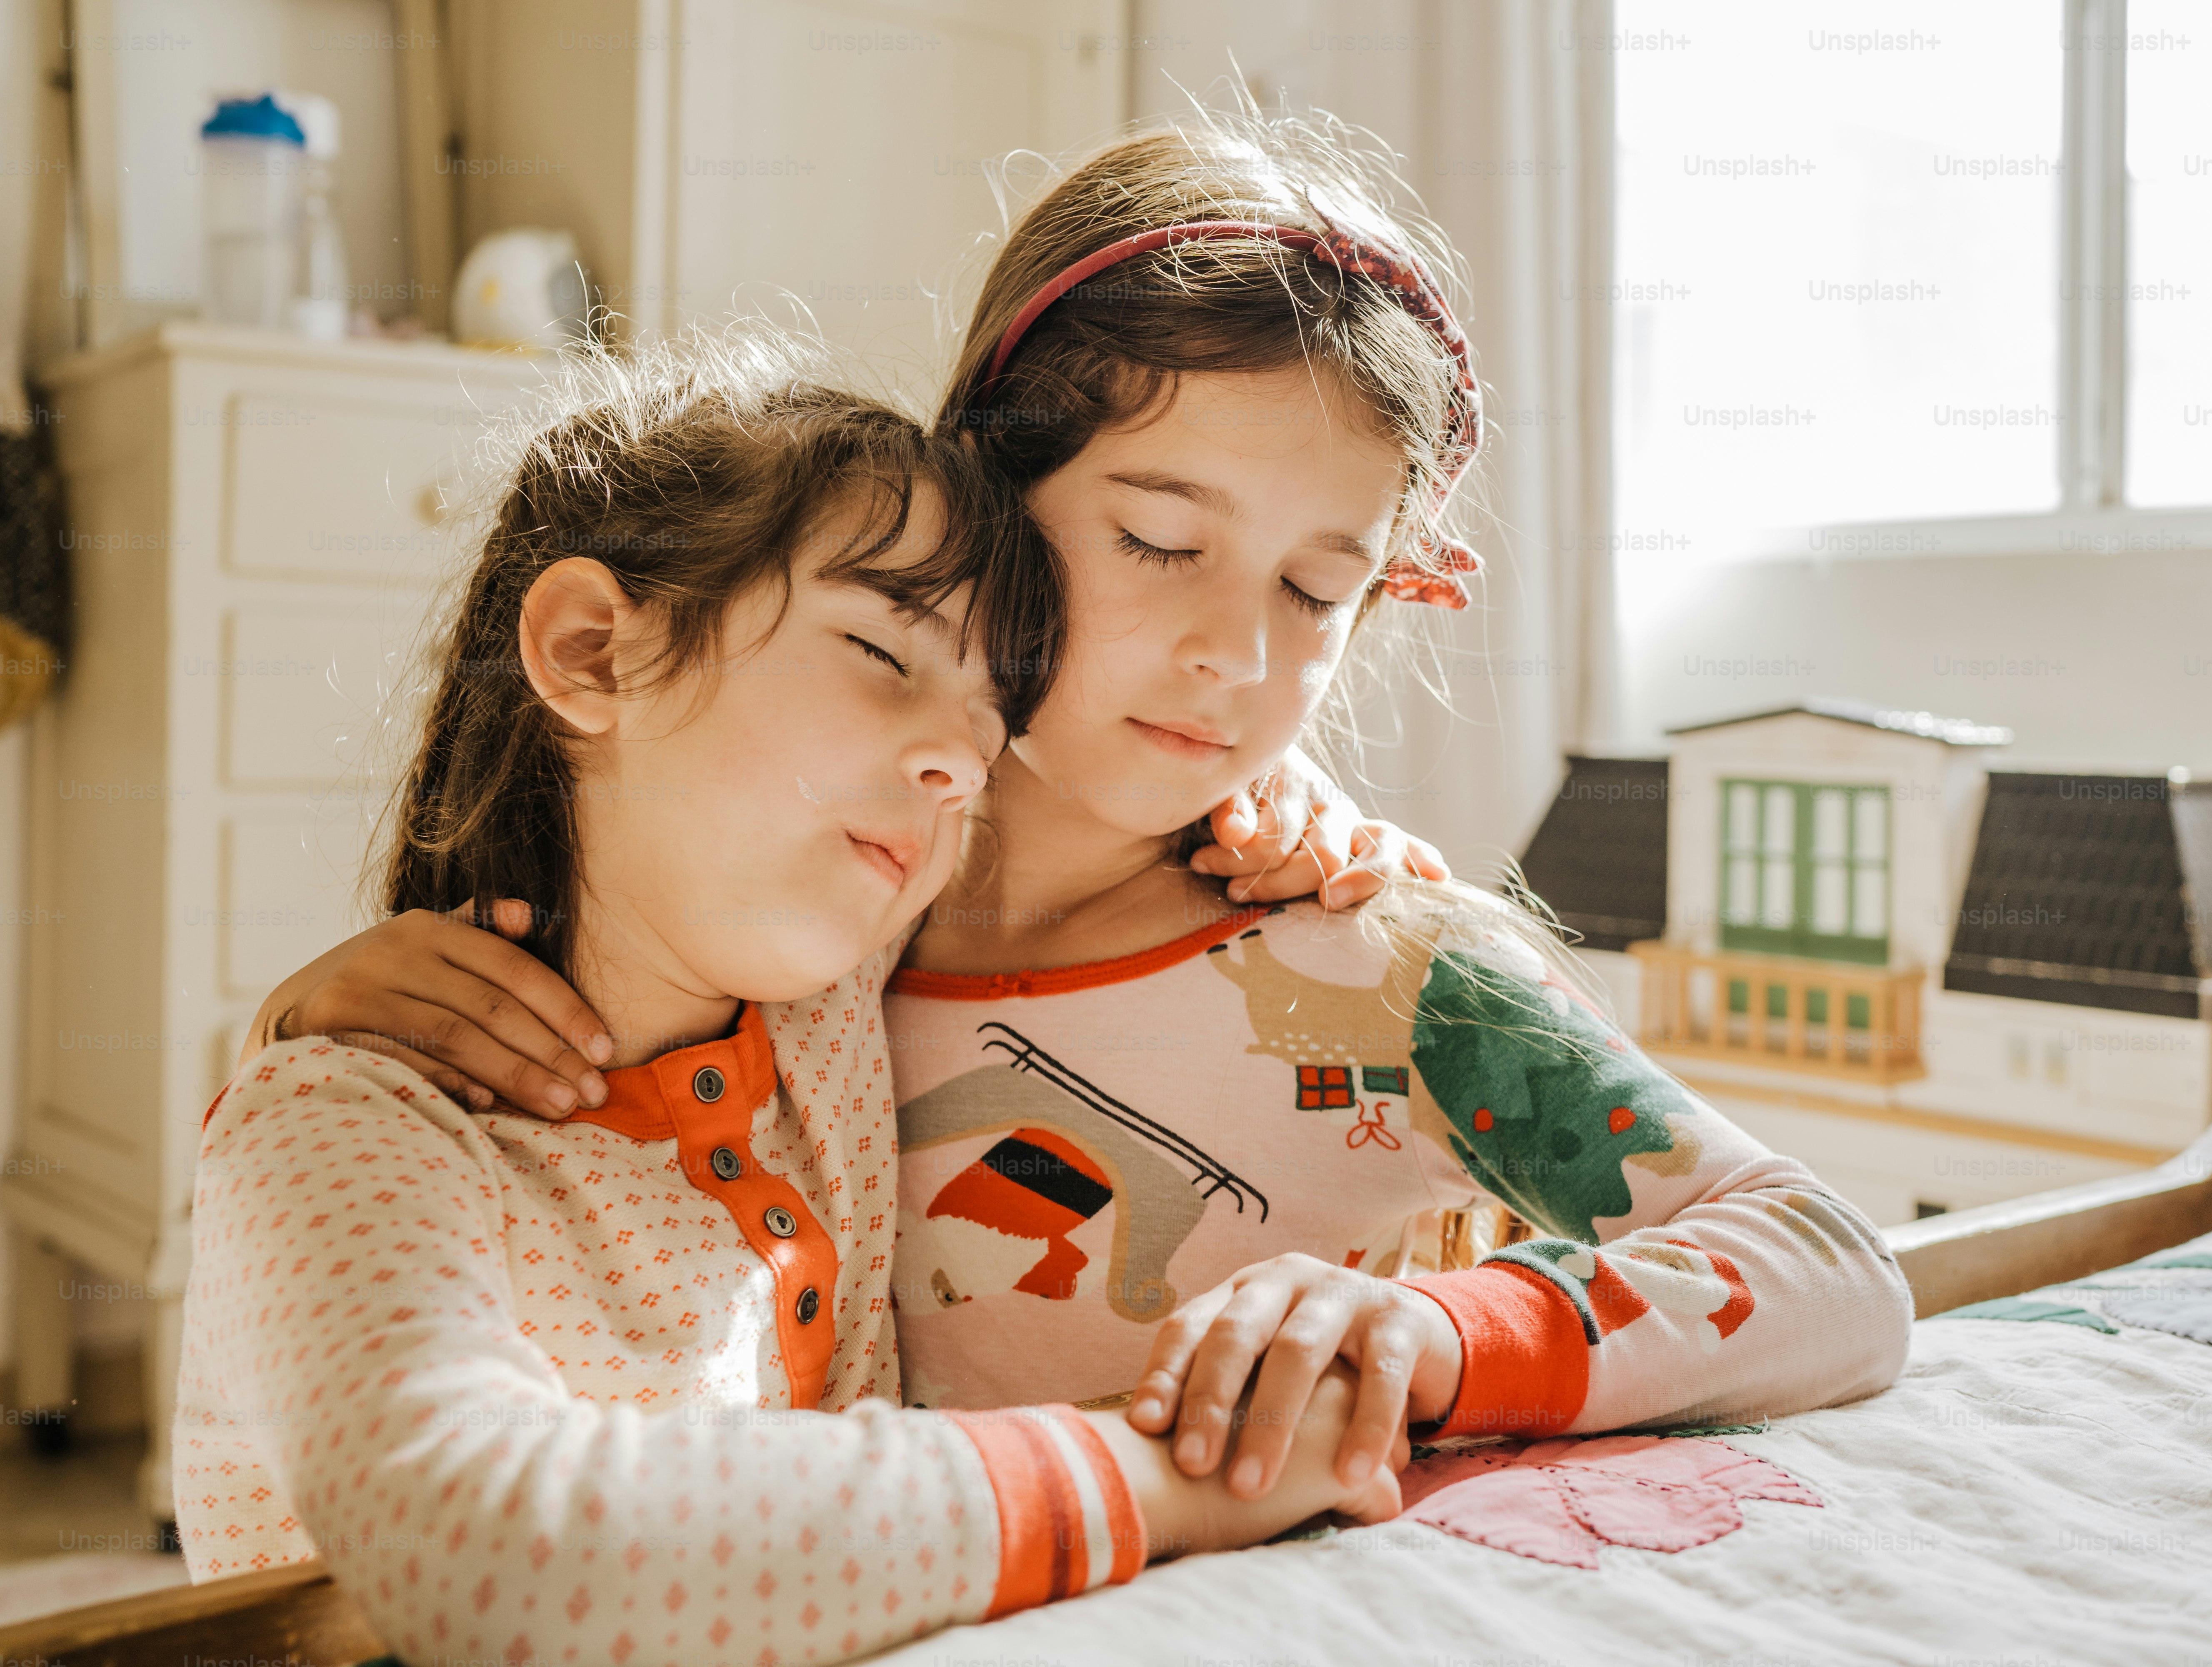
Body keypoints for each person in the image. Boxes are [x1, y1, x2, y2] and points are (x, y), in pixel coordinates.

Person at [242, 110, 1912, 1533]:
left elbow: (1831, 1264)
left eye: (1317, 589)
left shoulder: (1389, 967)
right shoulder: (820, 905)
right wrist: (316, 1019)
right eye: (1161, 540)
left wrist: (1445, 1335)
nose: (1234, 654)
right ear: (987, 491)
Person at [175, 335, 1400, 1667]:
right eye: (884, 651)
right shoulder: (348, 1132)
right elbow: (475, 1552)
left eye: (989, 732)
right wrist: (1157, 1485)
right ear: (593, 652)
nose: (957, 764)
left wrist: (1280, 795)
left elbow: (1100, 793)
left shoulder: (818, 1019)